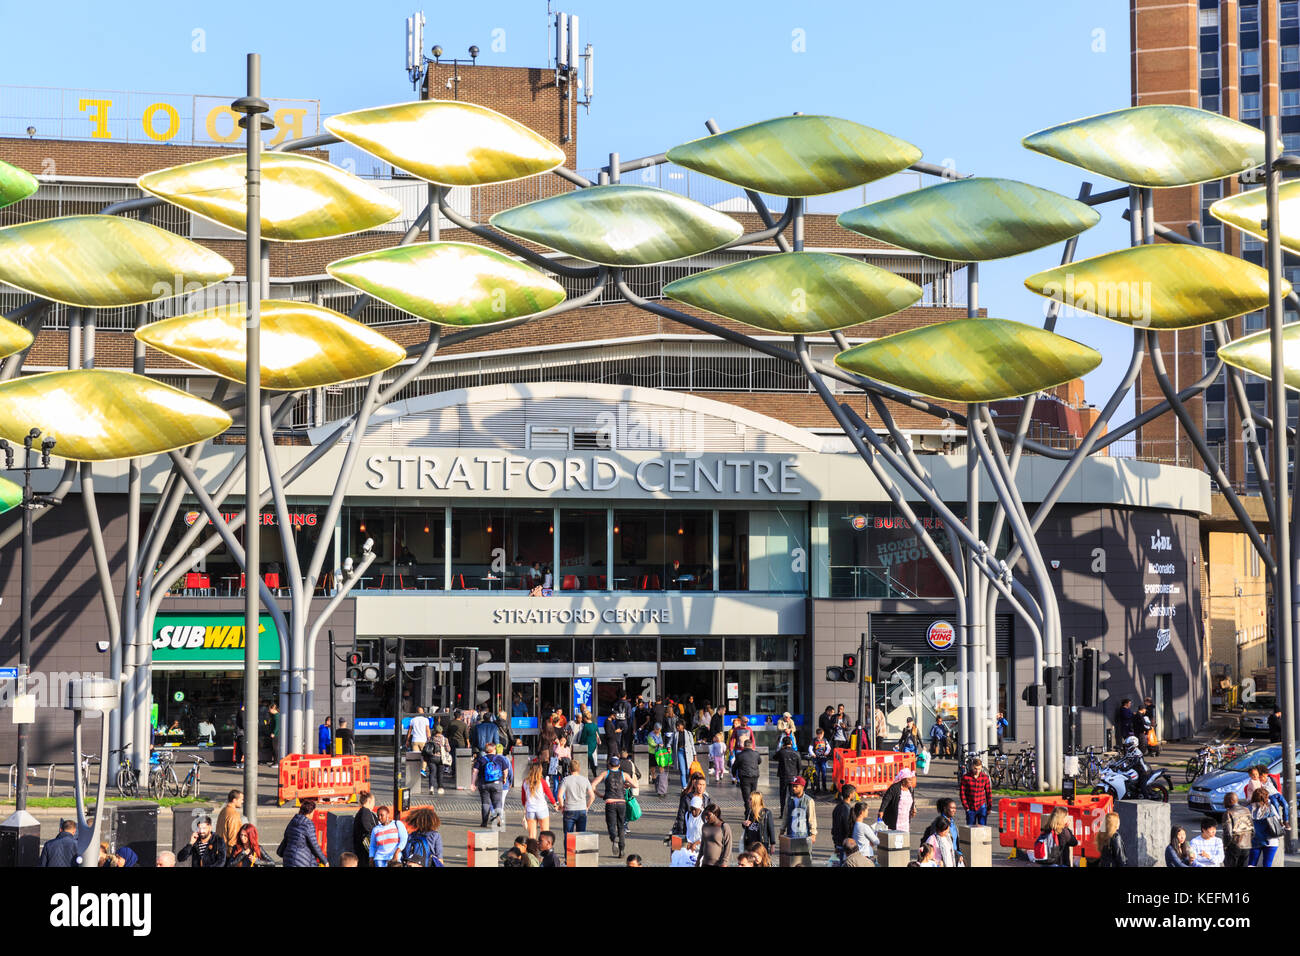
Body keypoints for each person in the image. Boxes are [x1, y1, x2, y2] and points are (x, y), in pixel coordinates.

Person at [591, 754, 630, 858]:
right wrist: (627, 785)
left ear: (609, 764)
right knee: (621, 826)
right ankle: (622, 849)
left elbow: (592, 785)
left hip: (610, 802)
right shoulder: (624, 774)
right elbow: (635, 784)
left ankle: (614, 837)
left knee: (611, 824)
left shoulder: (605, 773)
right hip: (622, 802)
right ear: (619, 765)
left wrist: (599, 794)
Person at [472, 741, 514, 829]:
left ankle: (484, 822)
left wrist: (473, 783)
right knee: (497, 802)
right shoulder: (500, 759)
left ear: (486, 751)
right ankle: (498, 818)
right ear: (494, 749)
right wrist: (504, 779)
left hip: (484, 784)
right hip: (497, 783)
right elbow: (505, 771)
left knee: (485, 803)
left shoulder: (481, 759)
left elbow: (475, 771)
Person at [278, 800, 328, 867]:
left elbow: (286, 838)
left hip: (288, 858)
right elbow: (314, 845)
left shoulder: (293, 821)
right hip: (302, 860)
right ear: (310, 812)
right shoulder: (308, 824)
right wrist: (324, 861)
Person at [520, 758, 558, 841]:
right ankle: (545, 851)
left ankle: (532, 851)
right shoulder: (542, 782)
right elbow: (549, 794)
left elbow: (523, 799)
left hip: (530, 810)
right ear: (540, 770)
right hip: (542, 809)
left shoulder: (525, 782)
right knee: (545, 834)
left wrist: (525, 807)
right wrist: (555, 804)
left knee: (532, 835)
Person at [921, 797, 964, 866]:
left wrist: (959, 854)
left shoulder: (952, 823)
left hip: (954, 857)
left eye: (955, 808)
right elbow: (933, 845)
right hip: (942, 860)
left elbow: (955, 842)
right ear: (945, 808)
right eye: (952, 808)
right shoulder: (939, 823)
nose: (954, 810)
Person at [558, 759, 595, 836]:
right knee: (581, 835)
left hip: (569, 809)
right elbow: (592, 797)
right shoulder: (585, 780)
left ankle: (569, 848)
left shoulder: (566, 780)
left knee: (568, 836)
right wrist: (587, 807)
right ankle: (579, 848)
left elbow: (559, 795)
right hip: (582, 809)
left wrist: (562, 807)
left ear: (569, 768)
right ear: (579, 769)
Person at [1249, 786, 1284, 867]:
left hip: (1255, 840)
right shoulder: (1270, 808)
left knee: (1251, 864)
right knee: (1267, 864)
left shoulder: (1248, 808)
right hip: (1271, 840)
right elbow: (1278, 819)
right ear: (1266, 797)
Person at [671, 774, 711, 842]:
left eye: (703, 785)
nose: (701, 787)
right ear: (695, 785)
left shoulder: (706, 799)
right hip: (688, 833)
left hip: (701, 835)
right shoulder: (687, 799)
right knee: (680, 851)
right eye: (699, 784)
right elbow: (681, 817)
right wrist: (680, 835)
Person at [877, 768, 917, 833]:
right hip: (894, 819)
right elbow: (886, 799)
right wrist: (881, 810)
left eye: (911, 779)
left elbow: (912, 799)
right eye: (909, 780)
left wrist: (913, 808)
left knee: (904, 838)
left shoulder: (910, 789)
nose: (911, 781)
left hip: (905, 820)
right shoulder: (894, 788)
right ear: (903, 780)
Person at [782, 775, 818, 845]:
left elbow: (812, 818)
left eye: (796, 786)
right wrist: (782, 830)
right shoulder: (789, 799)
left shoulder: (809, 800)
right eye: (793, 786)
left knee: (804, 855)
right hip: (791, 834)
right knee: (791, 855)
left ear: (802, 787)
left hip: (804, 834)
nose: (794, 788)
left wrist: (813, 834)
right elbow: (785, 816)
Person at [1220, 791, 1252, 868]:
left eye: (1225, 800)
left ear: (1230, 801)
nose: (1223, 802)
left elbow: (1228, 833)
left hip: (1234, 846)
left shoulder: (1228, 813)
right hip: (1247, 845)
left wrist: (1225, 846)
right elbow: (1253, 830)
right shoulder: (1246, 810)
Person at [696, 802, 733, 867]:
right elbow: (702, 844)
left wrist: (724, 862)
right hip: (705, 863)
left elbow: (728, 846)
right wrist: (698, 860)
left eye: (708, 815)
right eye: (705, 815)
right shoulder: (704, 826)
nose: (706, 817)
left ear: (716, 814)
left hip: (719, 864)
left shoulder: (724, 827)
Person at [741, 790, 776, 855]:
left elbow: (771, 830)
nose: (748, 801)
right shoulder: (749, 812)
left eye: (750, 799)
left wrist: (772, 845)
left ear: (755, 801)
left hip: (761, 844)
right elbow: (746, 826)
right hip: (750, 843)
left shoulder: (766, 813)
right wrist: (744, 824)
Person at [960, 757, 992, 826]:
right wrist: (966, 807)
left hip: (981, 806)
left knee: (982, 828)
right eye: (975, 769)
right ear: (972, 767)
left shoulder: (985, 777)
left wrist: (989, 807)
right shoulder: (965, 778)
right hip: (970, 807)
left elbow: (988, 793)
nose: (977, 771)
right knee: (970, 829)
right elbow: (962, 794)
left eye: (979, 769)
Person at [733, 738, 762, 809]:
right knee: (753, 796)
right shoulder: (756, 754)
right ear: (752, 746)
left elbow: (734, 766)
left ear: (744, 746)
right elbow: (759, 761)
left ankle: (748, 813)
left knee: (746, 797)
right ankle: (753, 812)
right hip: (754, 777)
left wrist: (734, 775)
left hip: (744, 777)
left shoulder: (740, 755)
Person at [831, 784, 858, 861]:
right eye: (854, 793)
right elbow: (847, 827)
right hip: (845, 844)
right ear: (850, 795)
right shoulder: (847, 809)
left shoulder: (837, 808)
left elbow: (834, 827)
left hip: (838, 842)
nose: (855, 795)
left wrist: (835, 843)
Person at [775, 735, 800, 811]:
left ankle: (782, 812)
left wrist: (781, 749)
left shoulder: (781, 752)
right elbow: (799, 766)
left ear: (783, 743)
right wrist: (797, 774)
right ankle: (792, 811)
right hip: (793, 776)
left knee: (782, 795)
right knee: (793, 795)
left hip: (783, 776)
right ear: (791, 743)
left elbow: (774, 757)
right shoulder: (796, 753)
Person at [352, 791, 378, 867]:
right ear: (369, 801)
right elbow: (366, 826)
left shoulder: (362, 812)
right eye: (373, 802)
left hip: (360, 847)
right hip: (364, 847)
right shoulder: (365, 812)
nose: (374, 804)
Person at [425, 723, 451, 795]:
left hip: (432, 758)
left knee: (432, 773)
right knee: (440, 773)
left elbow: (426, 747)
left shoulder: (431, 738)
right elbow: (448, 749)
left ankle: (431, 787)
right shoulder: (445, 739)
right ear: (441, 731)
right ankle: (440, 788)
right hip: (441, 759)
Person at [215, 789, 243, 854]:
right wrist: (234, 855)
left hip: (220, 849)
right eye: (241, 799)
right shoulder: (234, 815)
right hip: (228, 853)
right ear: (234, 800)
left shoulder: (223, 810)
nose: (242, 801)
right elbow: (233, 837)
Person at [672, 719, 697, 790]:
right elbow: (670, 742)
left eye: (678, 726)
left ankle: (687, 784)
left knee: (688, 771)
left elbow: (692, 745)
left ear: (683, 726)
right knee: (682, 771)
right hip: (680, 752)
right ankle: (684, 787)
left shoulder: (689, 734)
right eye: (676, 726)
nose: (677, 727)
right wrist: (668, 747)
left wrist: (694, 755)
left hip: (688, 754)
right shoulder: (675, 734)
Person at [809, 728, 832, 793]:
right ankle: (817, 787)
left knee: (824, 773)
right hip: (816, 759)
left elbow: (828, 747)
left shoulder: (825, 740)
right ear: (816, 734)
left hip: (823, 759)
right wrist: (812, 754)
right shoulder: (814, 740)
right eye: (818, 735)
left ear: (823, 734)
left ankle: (824, 787)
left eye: (821, 735)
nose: (819, 736)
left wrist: (826, 753)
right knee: (817, 774)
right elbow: (810, 748)